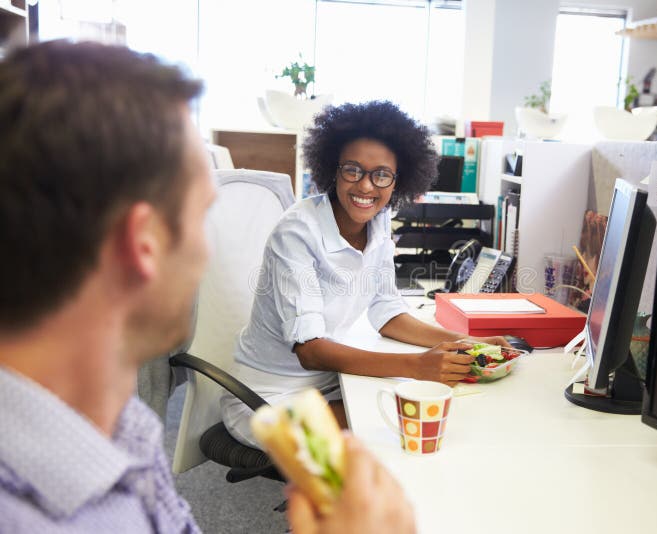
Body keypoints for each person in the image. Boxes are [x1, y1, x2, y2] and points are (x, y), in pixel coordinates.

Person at [0, 40, 414, 533]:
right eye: (202, 218)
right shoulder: (39, 514)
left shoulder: (115, 431)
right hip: (275, 395)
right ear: (143, 245)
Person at [222, 101, 510, 446]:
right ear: (333, 169)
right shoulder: (297, 233)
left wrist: (462, 344)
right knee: (395, 430)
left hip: (328, 381)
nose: (366, 187)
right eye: (353, 170)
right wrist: (417, 366)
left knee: (437, 415)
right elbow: (310, 350)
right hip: (270, 399)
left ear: (396, 181)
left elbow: (387, 312)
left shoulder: (378, 220)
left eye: (381, 175)